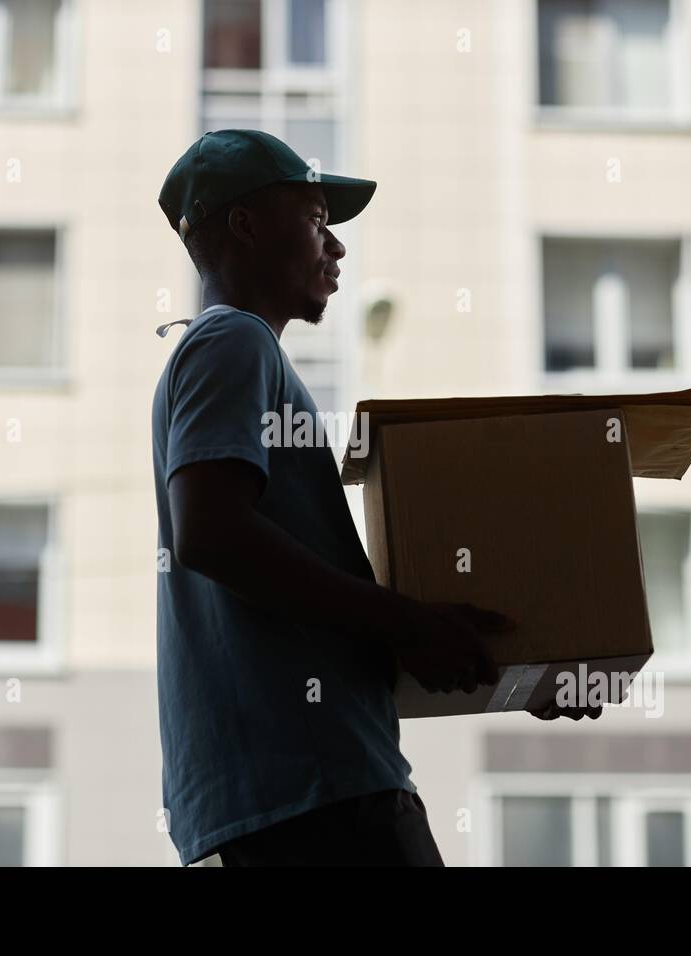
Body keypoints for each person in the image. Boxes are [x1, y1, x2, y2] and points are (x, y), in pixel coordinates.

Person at [151, 129, 598, 868]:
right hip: (317, 793)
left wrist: (520, 665)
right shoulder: (233, 341)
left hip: (294, 792)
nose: (338, 248)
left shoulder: (230, 353)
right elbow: (212, 533)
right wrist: (410, 622)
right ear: (245, 224)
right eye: (318, 219)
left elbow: (307, 628)